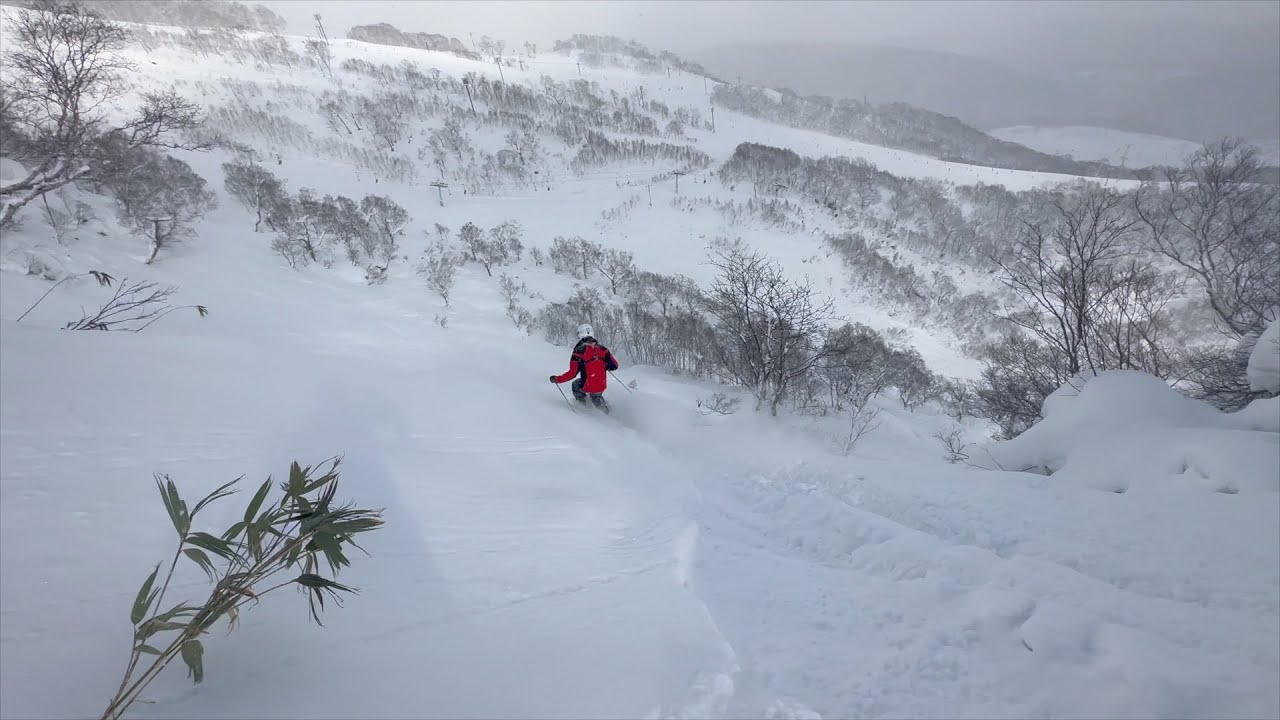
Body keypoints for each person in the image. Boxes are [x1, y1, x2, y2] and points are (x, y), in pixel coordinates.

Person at [550, 323, 619, 410]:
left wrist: (557, 379)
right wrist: (603, 364)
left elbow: (572, 373)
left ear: (580, 334)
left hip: (588, 384)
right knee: (596, 396)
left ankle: (583, 408)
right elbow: (614, 366)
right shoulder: (603, 349)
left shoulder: (578, 351)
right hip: (602, 384)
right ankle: (607, 413)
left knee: (575, 385)